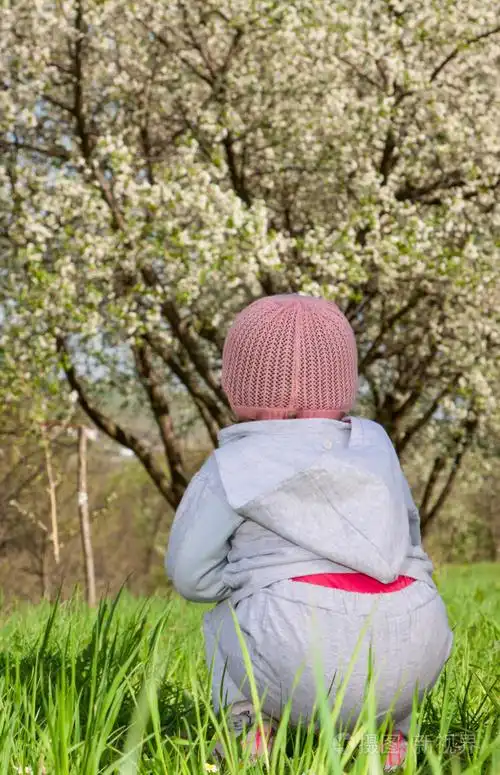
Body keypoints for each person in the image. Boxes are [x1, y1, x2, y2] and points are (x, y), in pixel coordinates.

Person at [165, 294, 453, 770]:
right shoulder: (377, 449)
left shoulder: (232, 466)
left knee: (223, 619)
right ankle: (392, 738)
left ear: (236, 381)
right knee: (403, 611)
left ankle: (247, 731)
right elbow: (410, 540)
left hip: (296, 647)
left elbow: (190, 576)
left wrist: (247, 584)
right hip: (417, 645)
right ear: (345, 381)